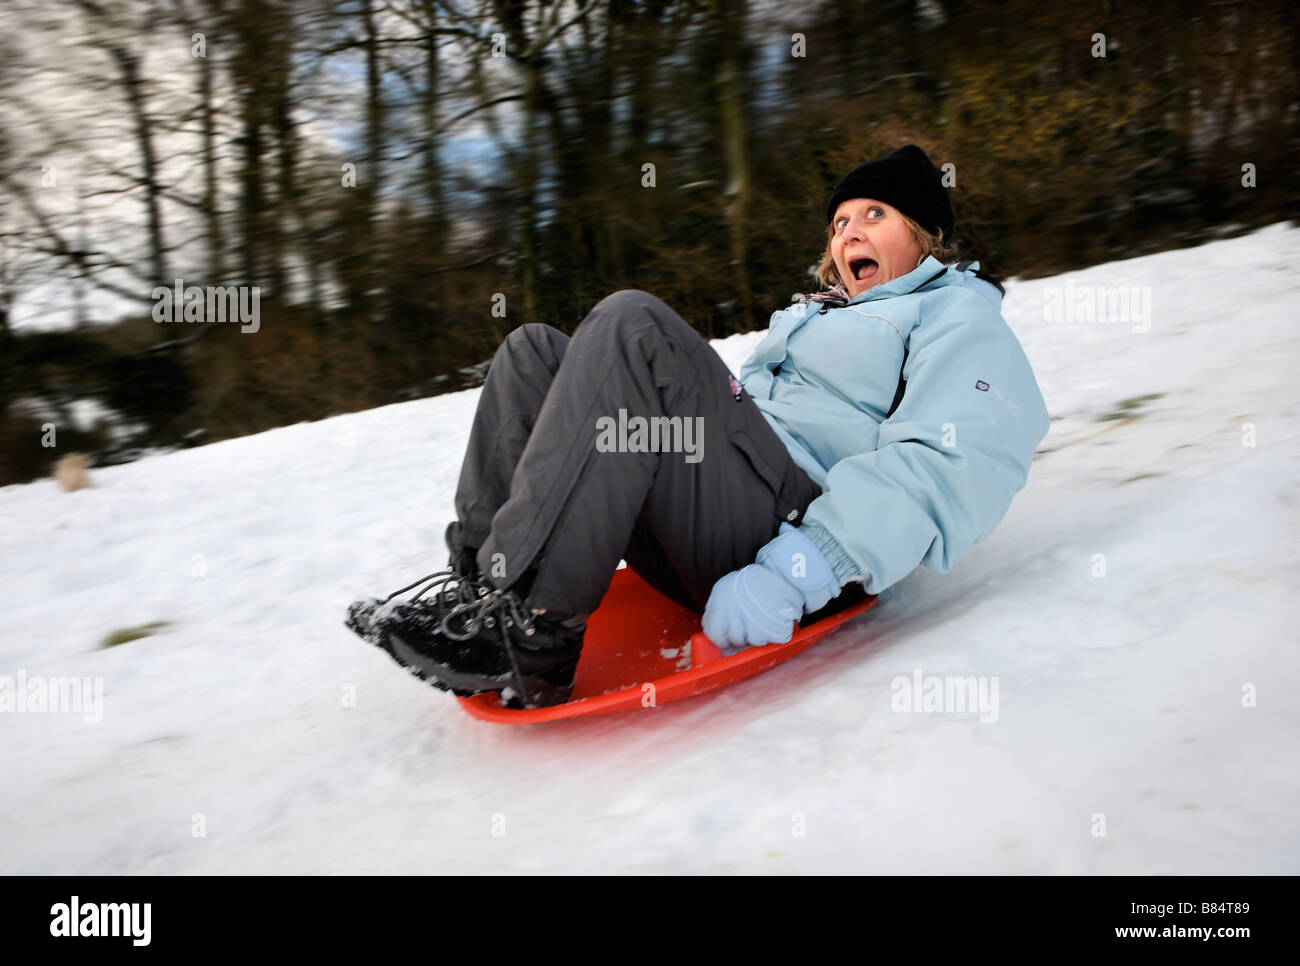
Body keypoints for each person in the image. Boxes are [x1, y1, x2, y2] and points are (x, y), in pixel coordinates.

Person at [345, 144, 1050, 708]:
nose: (848, 234)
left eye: (873, 216)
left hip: (798, 537)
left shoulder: (958, 316)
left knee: (633, 324)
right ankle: (480, 592)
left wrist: (797, 572)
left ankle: (531, 635)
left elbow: (945, 464)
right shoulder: (817, 315)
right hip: (727, 518)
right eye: (839, 224)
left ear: (925, 236)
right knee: (534, 351)